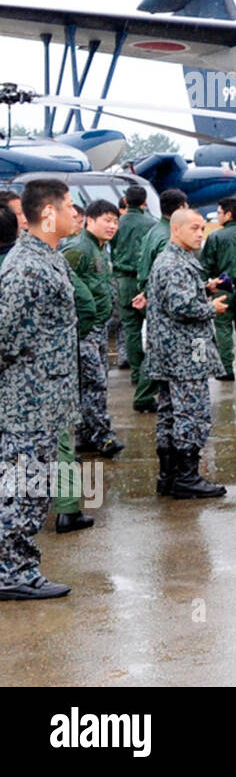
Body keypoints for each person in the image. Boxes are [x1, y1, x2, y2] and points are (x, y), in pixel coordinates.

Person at [0, 180, 82, 599]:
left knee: (34, 489)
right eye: (69, 205)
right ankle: (11, 572)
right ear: (48, 213)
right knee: (22, 490)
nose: (75, 212)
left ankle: (19, 568)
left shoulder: (49, 259)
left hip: (46, 401)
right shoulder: (26, 268)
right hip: (26, 404)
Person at [147, 209, 228, 499]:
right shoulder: (174, 264)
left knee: (170, 412)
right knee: (192, 412)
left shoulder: (176, 261)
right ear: (176, 230)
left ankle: (169, 475)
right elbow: (181, 307)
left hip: (173, 350)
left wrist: (205, 289)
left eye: (202, 228)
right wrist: (211, 308)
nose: (199, 234)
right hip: (185, 351)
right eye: (194, 228)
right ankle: (186, 475)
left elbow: (178, 297)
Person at [65, 199, 124, 459]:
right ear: (90, 220)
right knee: (94, 382)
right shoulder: (78, 249)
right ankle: (103, 436)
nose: (112, 226)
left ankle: (85, 436)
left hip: (99, 327)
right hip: (84, 329)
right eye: (107, 220)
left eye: (115, 221)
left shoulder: (100, 249)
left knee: (94, 383)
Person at [132, 188, 190, 412]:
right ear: (180, 208)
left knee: (158, 348)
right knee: (162, 349)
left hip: (151, 293)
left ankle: (151, 394)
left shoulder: (155, 230)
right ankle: (146, 395)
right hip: (164, 300)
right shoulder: (168, 237)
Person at [112, 185, 157, 407]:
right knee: (155, 328)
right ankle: (151, 373)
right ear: (144, 202)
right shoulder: (152, 224)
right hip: (145, 281)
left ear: (125, 201)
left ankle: (137, 373)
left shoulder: (116, 224)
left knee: (130, 329)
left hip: (122, 281)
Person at [201, 198, 236, 380]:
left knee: (223, 329)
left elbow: (206, 264)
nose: (218, 216)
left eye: (219, 213)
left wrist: (204, 286)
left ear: (228, 214)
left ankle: (226, 368)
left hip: (223, 287)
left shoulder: (215, 237)